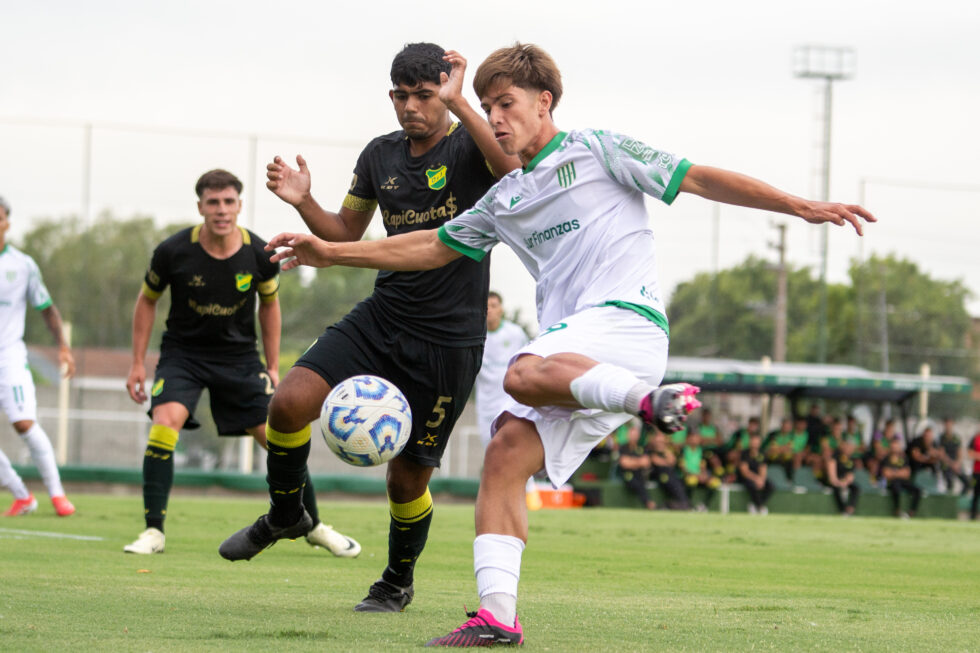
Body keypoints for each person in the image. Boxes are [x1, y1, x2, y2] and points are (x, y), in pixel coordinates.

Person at [260, 42, 874, 646]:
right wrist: (331, 251)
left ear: (544, 102)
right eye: (487, 108)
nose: (495, 118)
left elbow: (698, 178)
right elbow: (428, 246)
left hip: (626, 324)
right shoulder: (502, 199)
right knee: (505, 454)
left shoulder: (598, 148)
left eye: (506, 104)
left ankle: (651, 401)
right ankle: (498, 619)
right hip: (578, 356)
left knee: (520, 372)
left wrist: (798, 205)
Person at [219, 43, 522, 615]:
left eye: (425, 95)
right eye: (401, 96)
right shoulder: (380, 156)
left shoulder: (470, 145)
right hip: (383, 317)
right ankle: (287, 513)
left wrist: (462, 103)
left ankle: (395, 582)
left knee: (406, 481)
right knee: (288, 402)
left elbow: (515, 174)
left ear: (444, 95)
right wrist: (305, 201)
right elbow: (345, 231)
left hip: (449, 341)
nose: (411, 107)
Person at [123, 169, 357, 557]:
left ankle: (314, 525)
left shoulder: (259, 253)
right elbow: (147, 300)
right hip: (183, 355)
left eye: (228, 201)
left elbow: (270, 306)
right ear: (200, 207)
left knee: (281, 435)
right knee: (165, 422)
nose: (221, 209)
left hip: (239, 359)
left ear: (239, 205)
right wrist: (136, 363)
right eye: (213, 202)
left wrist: (272, 366)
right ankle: (153, 532)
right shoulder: (172, 251)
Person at [0, 194, 76, 517]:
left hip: (9, 357)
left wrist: (63, 346)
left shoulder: (23, 265)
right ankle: (22, 496)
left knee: (24, 423)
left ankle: (58, 495)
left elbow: (46, 308)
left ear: (7, 223)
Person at [474, 292, 539, 510]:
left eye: (494, 305)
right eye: (486, 306)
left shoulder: (515, 333)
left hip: (511, 401)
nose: (490, 310)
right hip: (485, 404)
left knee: (516, 447)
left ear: (501, 309)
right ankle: (499, 499)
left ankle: (531, 495)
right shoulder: (475, 333)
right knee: (491, 452)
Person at [614, 419, 656, 510]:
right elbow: (624, 463)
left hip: (639, 474)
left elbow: (646, 463)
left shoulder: (641, 448)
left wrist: (632, 461)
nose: (634, 437)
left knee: (640, 479)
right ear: (628, 435)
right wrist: (639, 462)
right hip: (626, 474)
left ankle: (649, 503)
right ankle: (648, 502)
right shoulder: (623, 447)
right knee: (633, 480)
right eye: (632, 434)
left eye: (635, 434)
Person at [880, 436, 921, 518]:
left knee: (917, 490)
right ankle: (897, 510)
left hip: (903, 481)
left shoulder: (904, 458)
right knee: (896, 487)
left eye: (896, 445)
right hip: (891, 483)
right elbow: (886, 473)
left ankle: (911, 512)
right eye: (893, 445)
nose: (895, 447)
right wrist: (900, 472)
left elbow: (907, 473)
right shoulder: (886, 459)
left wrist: (893, 472)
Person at [738, 431, 774, 515]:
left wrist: (762, 480)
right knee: (752, 485)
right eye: (753, 442)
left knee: (770, 486)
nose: (754, 444)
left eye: (756, 442)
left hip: (758, 477)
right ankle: (760, 506)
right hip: (747, 477)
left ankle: (755, 504)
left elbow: (763, 468)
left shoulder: (762, 454)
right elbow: (744, 471)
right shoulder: (744, 454)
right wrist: (756, 479)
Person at [823, 437, 860, 516]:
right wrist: (837, 481)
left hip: (843, 481)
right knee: (836, 488)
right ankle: (843, 510)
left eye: (851, 447)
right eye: (848, 446)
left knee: (856, 488)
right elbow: (831, 472)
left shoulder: (851, 459)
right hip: (833, 480)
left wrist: (845, 482)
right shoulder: (836, 455)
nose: (849, 449)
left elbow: (850, 475)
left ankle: (850, 508)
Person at [937, 417, 969, 494]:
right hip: (946, 464)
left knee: (968, 482)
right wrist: (952, 464)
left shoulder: (956, 438)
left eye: (950, 424)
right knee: (950, 482)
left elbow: (960, 453)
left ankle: (960, 498)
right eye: (947, 424)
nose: (948, 426)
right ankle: (949, 498)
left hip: (956, 464)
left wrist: (957, 463)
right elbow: (942, 455)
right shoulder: (941, 438)